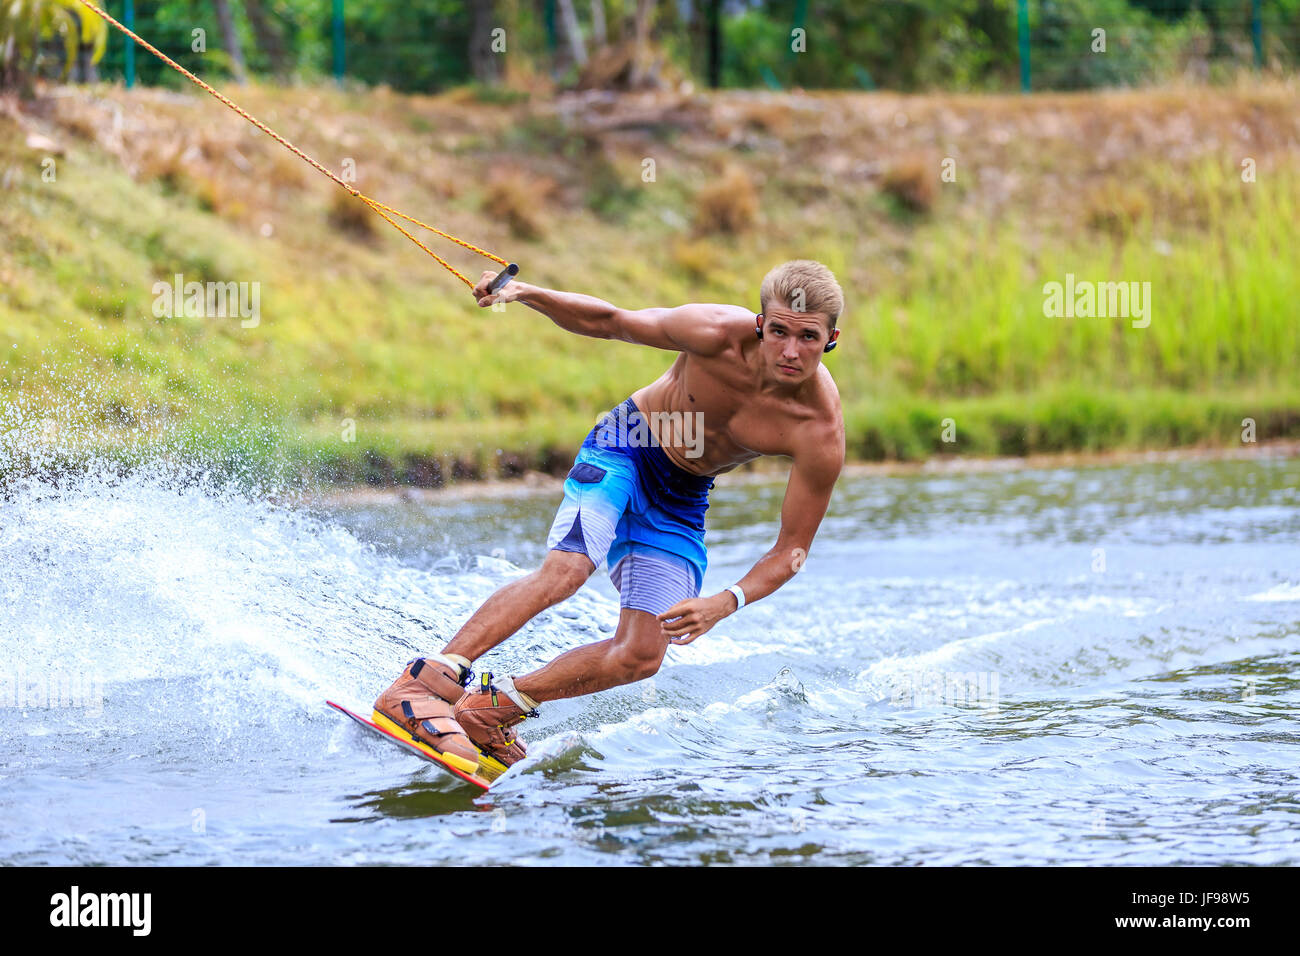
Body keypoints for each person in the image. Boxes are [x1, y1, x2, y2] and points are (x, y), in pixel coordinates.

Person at [372, 259, 846, 775]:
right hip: (627, 444)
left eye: (808, 337)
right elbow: (611, 321)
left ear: (831, 339)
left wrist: (724, 602)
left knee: (641, 655)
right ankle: (425, 682)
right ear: (761, 324)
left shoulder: (818, 431)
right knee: (569, 570)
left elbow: (791, 551)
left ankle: (492, 712)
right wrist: (528, 293)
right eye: (779, 331)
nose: (790, 351)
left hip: (681, 497)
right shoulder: (713, 333)